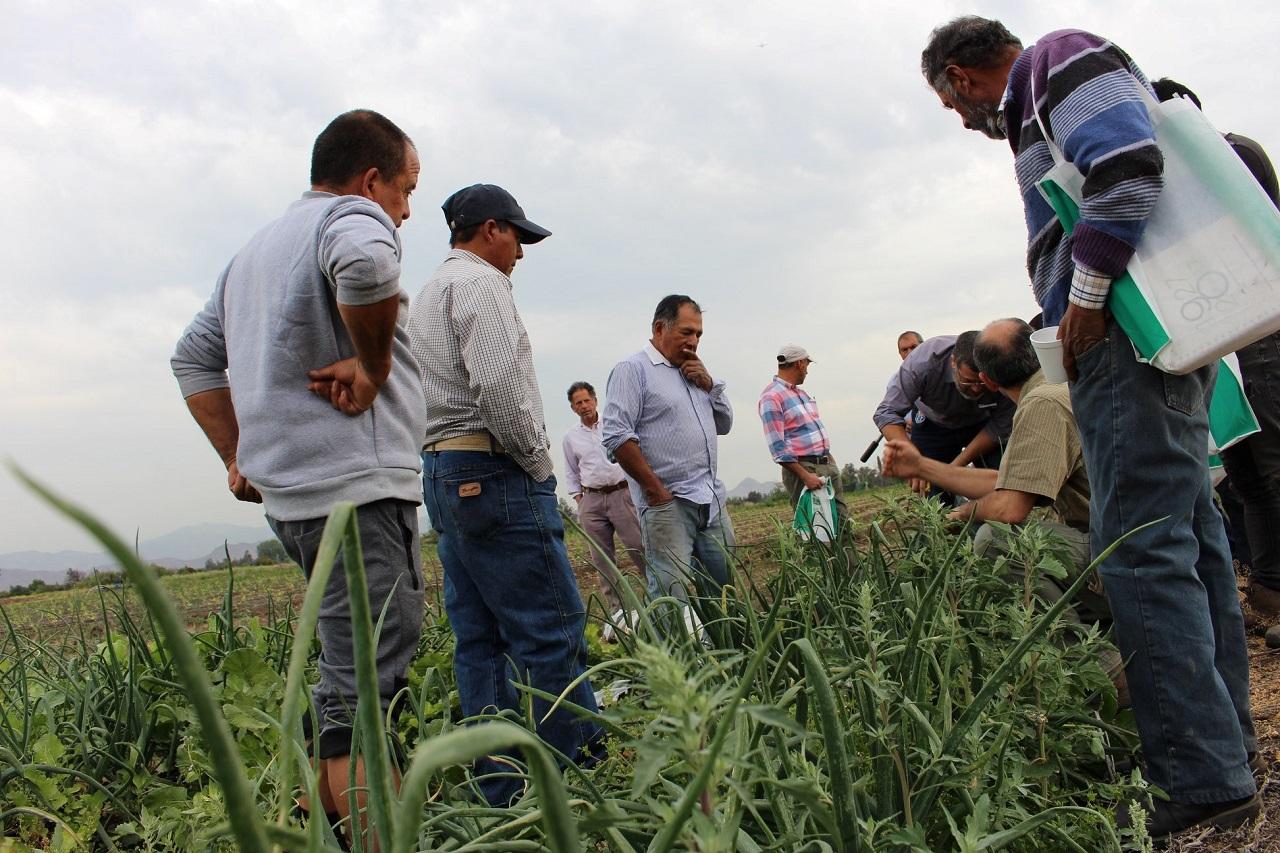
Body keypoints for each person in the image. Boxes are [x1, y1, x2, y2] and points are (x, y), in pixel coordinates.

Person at [921, 18, 1258, 837]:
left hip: (1122, 335)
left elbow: (1125, 164)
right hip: (1149, 333)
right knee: (1190, 535)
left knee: (1138, 543)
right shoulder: (1049, 86)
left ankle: (1197, 772)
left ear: (961, 78)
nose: (963, 119)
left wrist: (1085, 295)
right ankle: (1225, 750)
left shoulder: (1054, 60)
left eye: (949, 101)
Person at [171, 110, 427, 835]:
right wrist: (374, 368)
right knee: (364, 691)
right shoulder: (350, 217)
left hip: (297, 502)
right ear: (371, 178)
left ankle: (333, 833)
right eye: (405, 190)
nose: (405, 212)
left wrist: (237, 453)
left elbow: (191, 357)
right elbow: (370, 264)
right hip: (357, 496)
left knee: (345, 677)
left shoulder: (253, 252)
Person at [407, 183, 600, 806]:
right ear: (490, 230)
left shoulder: (428, 293)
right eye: (517, 236)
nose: (520, 251)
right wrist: (539, 467)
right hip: (493, 470)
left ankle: (502, 784)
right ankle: (568, 778)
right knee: (549, 627)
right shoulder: (483, 284)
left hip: (441, 470)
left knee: (480, 635)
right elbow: (497, 388)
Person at [882, 319, 1119, 680]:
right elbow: (1008, 481)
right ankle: (1109, 631)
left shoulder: (1041, 405)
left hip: (1117, 555)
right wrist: (923, 466)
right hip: (1123, 541)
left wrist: (959, 515)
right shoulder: (1054, 387)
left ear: (990, 382)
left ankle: (1101, 673)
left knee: (997, 542)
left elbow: (1009, 507)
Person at [1151, 77, 1280, 637]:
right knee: (1246, 469)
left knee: (1274, 461)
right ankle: (1272, 584)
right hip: (1216, 335)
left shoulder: (1233, 153)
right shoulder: (1163, 178)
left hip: (1260, 327)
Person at [601, 295, 734, 631]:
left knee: (723, 589)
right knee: (671, 598)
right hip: (669, 505)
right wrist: (655, 490)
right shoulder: (633, 371)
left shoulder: (694, 373)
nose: (694, 342)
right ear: (661, 328)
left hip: (711, 500)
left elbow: (725, 424)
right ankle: (676, 670)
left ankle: (728, 654)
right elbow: (617, 437)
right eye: (687, 332)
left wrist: (710, 383)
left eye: (699, 334)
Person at [873, 332, 1014, 505]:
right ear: (953, 362)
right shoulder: (922, 363)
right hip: (934, 426)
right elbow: (886, 412)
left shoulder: (1002, 364)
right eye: (969, 381)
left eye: (983, 382)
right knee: (936, 500)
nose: (977, 389)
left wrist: (953, 469)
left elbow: (1001, 425)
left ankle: (991, 527)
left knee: (1002, 485)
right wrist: (914, 461)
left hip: (981, 424)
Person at [562, 380, 648, 641]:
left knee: (639, 547)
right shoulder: (570, 438)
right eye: (578, 403)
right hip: (592, 500)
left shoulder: (612, 424)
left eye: (587, 400)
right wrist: (580, 500)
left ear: (595, 400)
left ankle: (661, 599)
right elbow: (570, 471)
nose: (584, 406)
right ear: (573, 408)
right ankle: (619, 614)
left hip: (622, 494)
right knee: (601, 559)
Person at [757, 345, 847, 518]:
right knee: (816, 530)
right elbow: (777, 447)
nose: (807, 371)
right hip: (805, 468)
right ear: (800, 364)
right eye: (807, 364)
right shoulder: (771, 397)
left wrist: (832, 464)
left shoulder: (801, 394)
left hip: (826, 465)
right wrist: (805, 476)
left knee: (841, 523)